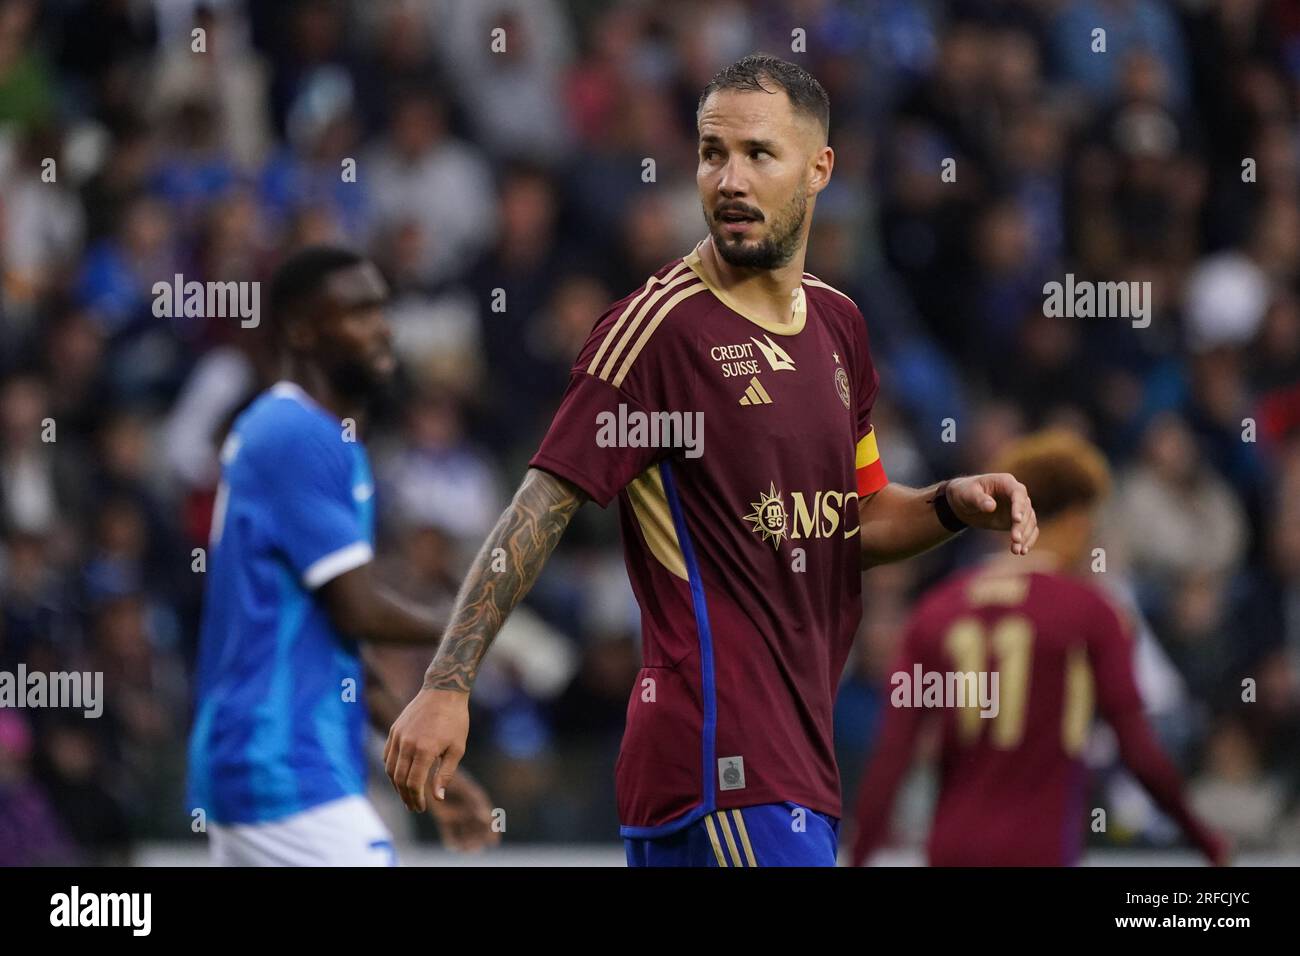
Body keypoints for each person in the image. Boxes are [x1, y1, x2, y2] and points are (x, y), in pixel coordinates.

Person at [384, 54, 1038, 867]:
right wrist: (448, 684)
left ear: (819, 168)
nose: (729, 179)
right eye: (711, 153)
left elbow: (856, 522)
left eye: (758, 154)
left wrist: (948, 505)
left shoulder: (841, 329)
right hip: (721, 760)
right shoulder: (658, 330)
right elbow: (537, 509)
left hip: (792, 767)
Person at [186, 245, 497, 865]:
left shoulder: (326, 437)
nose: (382, 326)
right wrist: (475, 623)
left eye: (381, 308)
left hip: (272, 757)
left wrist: (423, 762)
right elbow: (357, 609)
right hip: (281, 760)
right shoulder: (295, 433)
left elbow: (336, 631)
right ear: (302, 330)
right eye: (356, 312)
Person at [849, 429, 1227, 867]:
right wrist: (1207, 842)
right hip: (1039, 852)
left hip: (951, 851)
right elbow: (1140, 754)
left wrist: (859, 858)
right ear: (1079, 521)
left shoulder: (936, 611)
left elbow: (891, 759)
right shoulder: (1091, 614)